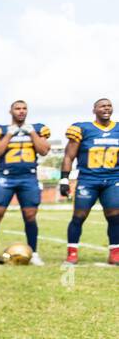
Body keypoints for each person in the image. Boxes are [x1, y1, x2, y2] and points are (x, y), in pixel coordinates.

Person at [0, 101, 49, 265]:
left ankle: (35, 253)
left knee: (30, 216)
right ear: (10, 111)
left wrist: (32, 134)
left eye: (24, 108)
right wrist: (9, 135)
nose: (21, 111)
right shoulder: (0, 130)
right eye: (17, 108)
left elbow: (44, 150)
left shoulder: (37, 129)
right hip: (6, 177)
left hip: (28, 177)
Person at [61, 98, 119, 265]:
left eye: (109, 106)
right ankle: (72, 252)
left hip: (113, 179)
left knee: (115, 217)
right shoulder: (83, 129)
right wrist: (64, 178)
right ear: (94, 110)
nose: (106, 108)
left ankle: (115, 253)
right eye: (102, 106)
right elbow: (69, 155)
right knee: (79, 216)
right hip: (88, 179)